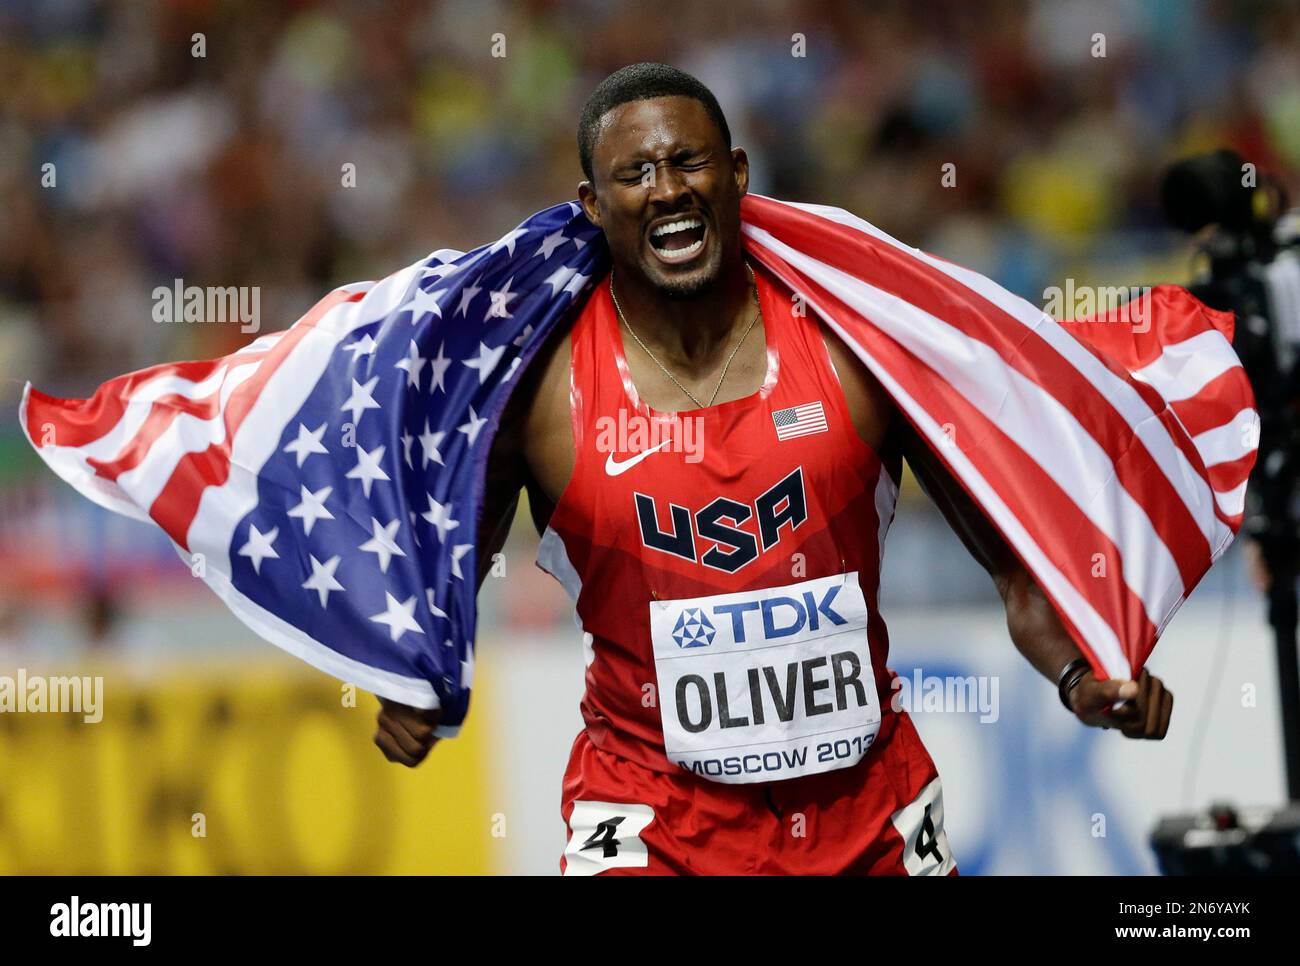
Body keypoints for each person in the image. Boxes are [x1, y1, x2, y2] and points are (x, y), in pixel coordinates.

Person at [372, 63, 1173, 875]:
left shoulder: (854, 351)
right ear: (592, 204)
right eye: (635, 172)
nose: (666, 190)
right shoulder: (542, 395)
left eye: (689, 161)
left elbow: (1014, 571)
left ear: (738, 172)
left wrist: (1082, 676)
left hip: (866, 821)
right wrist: (410, 681)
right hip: (651, 825)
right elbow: (447, 578)